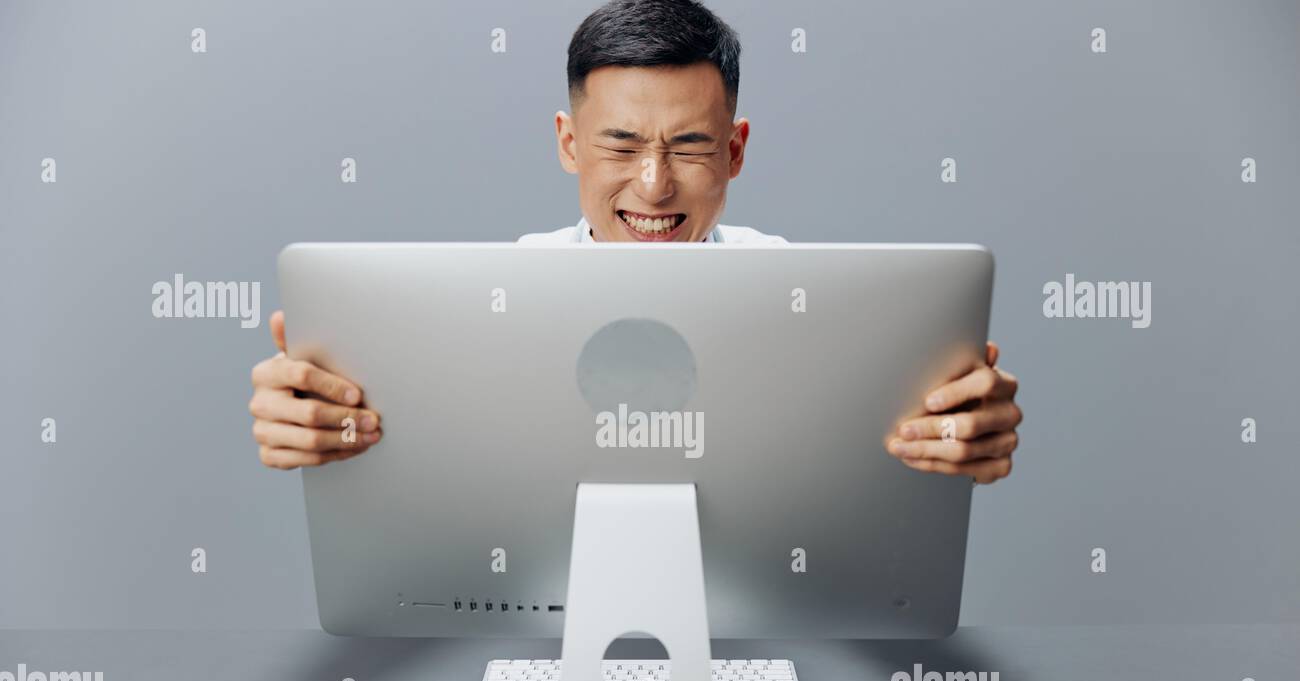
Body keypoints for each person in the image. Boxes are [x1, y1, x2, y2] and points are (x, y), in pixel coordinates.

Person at [250, 0, 1021, 482]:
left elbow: (889, 454)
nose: (653, 187)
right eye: (620, 146)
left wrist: (963, 435)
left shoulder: (808, 298)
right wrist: (318, 424)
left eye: (688, 146)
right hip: (536, 632)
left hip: (766, 637)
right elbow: (422, 456)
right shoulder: (489, 300)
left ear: (736, 150)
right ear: (569, 144)